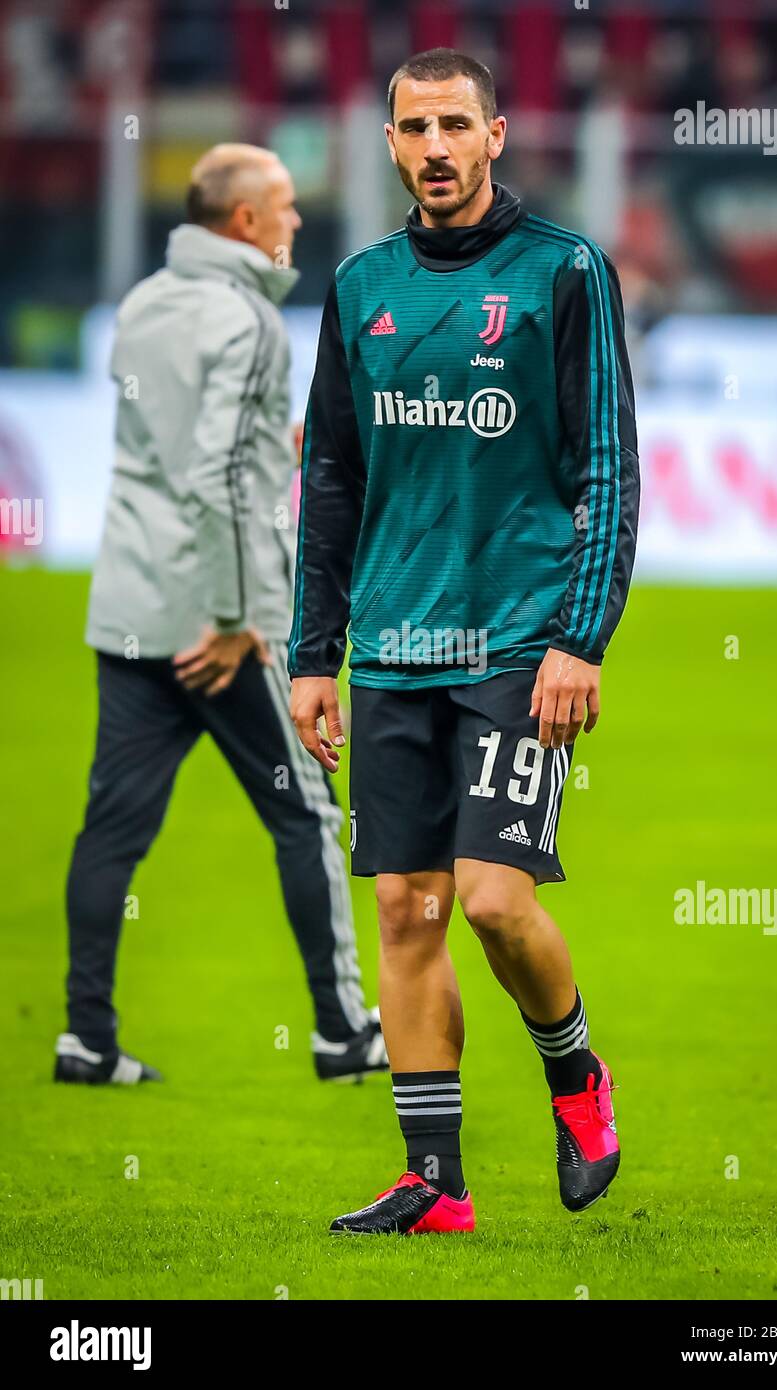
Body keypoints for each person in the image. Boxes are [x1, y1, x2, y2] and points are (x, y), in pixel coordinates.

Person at [288, 51, 640, 1233]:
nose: (433, 147)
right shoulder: (358, 285)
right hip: (388, 647)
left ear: (495, 134)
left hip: (516, 645)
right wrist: (308, 654)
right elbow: (329, 476)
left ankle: (574, 1075)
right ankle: (433, 1183)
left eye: (454, 124)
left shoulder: (563, 274)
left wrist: (578, 639)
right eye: (411, 127)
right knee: (405, 913)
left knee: (490, 901)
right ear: (387, 143)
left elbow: (607, 468)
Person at [56, 144, 386, 1087]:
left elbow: (166, 446)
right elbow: (211, 478)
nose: (293, 221)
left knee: (110, 828)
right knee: (308, 818)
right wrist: (240, 617)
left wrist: (268, 444)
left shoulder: (144, 302)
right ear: (244, 222)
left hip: (129, 606)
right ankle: (340, 1032)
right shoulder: (248, 320)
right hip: (219, 625)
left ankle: (86, 1037)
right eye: (284, 207)